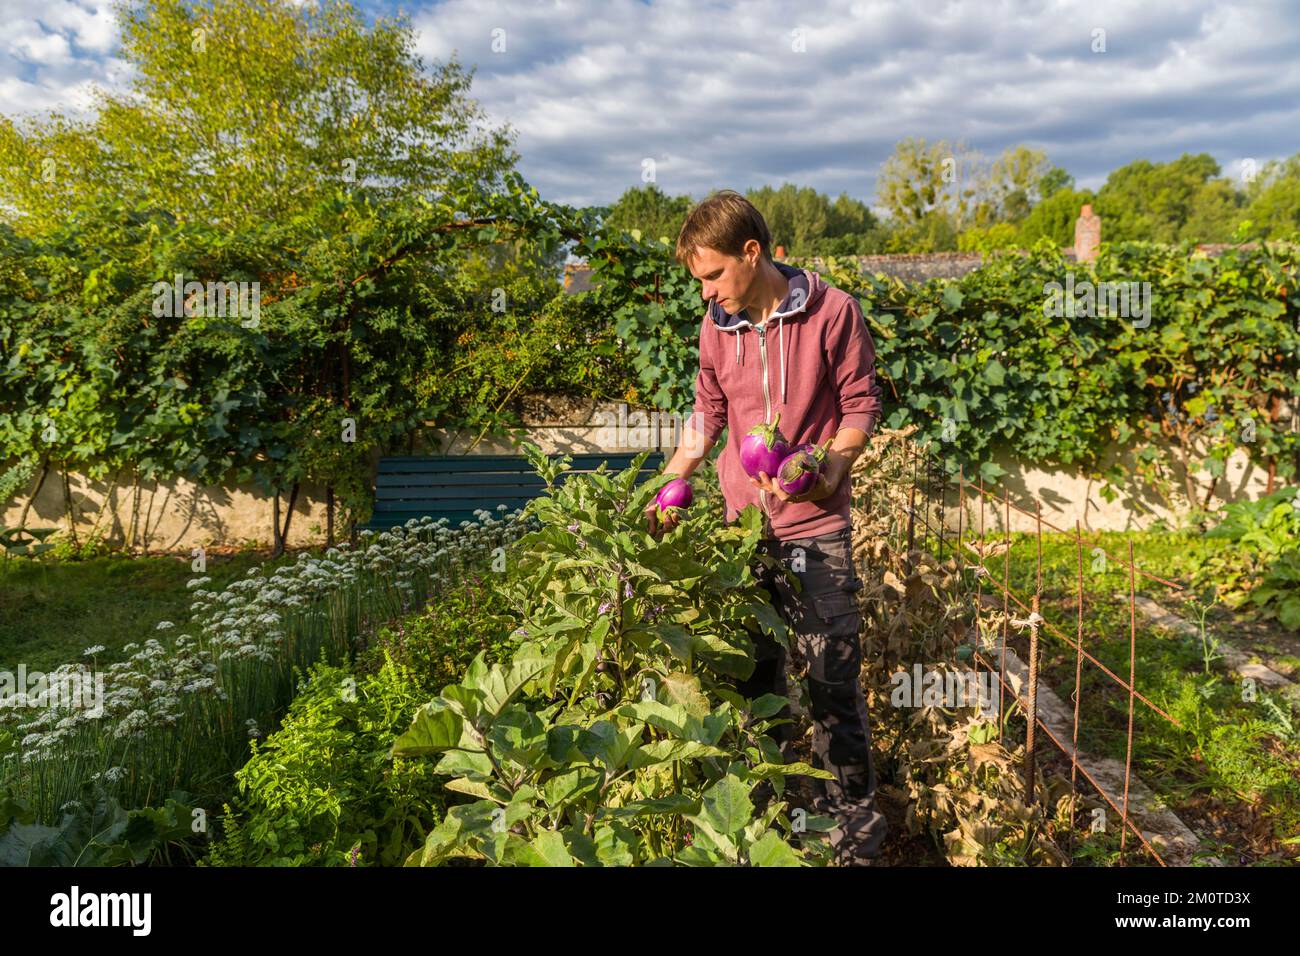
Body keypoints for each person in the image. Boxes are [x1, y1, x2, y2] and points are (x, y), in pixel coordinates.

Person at [644, 189, 888, 865]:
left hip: (814, 526)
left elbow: (862, 404)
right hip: (740, 533)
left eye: (714, 275)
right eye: (699, 281)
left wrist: (834, 465)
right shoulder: (715, 329)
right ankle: (768, 827)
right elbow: (706, 415)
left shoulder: (832, 312)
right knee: (756, 683)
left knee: (831, 678)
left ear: (752, 253)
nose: (707, 294)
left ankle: (852, 831)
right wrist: (673, 484)